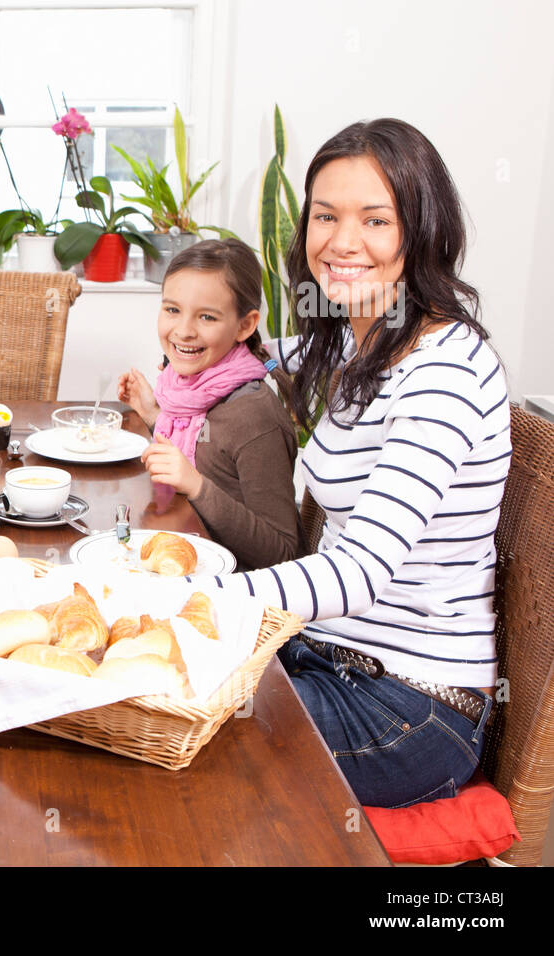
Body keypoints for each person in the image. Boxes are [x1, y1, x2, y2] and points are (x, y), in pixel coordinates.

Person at [203, 119, 508, 808]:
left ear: (422, 231)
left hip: (412, 709)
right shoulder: (355, 341)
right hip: (325, 656)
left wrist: (198, 597)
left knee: (181, 728)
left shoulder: (444, 372)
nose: (342, 242)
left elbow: (360, 574)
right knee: (137, 678)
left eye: (376, 219)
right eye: (325, 216)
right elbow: (247, 348)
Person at [118, 238, 302, 571]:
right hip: (184, 561)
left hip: (234, 593)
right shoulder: (192, 388)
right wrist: (152, 414)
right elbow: (207, 451)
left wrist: (197, 487)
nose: (184, 331)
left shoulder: (254, 417)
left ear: (245, 325)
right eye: (172, 310)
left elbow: (283, 552)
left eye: (207, 317)